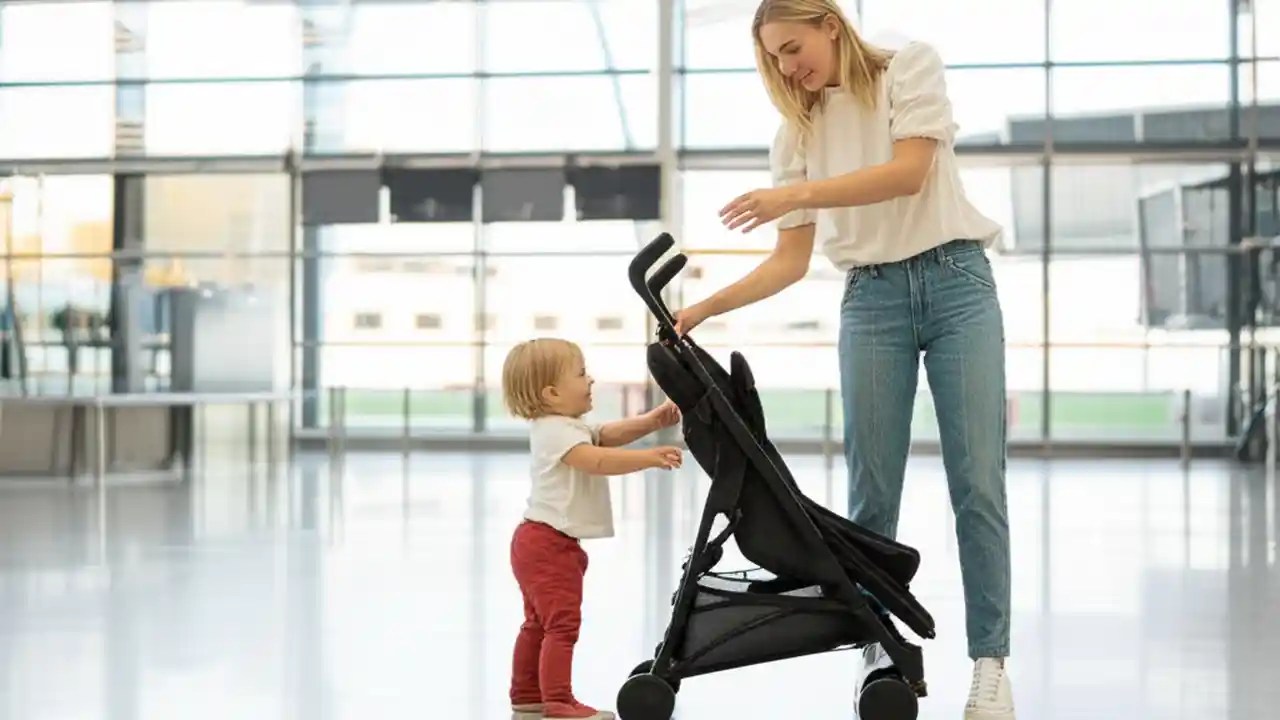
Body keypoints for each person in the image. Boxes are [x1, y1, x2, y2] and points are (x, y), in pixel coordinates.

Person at [671, 1, 1014, 718]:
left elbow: (908, 173)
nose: (789, 67)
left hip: (957, 285)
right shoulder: (794, 132)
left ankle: (990, 664)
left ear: (830, 23)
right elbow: (789, 262)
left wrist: (794, 193)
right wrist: (707, 307)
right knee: (872, 490)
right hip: (871, 299)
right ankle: (878, 655)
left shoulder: (907, 67)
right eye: (775, 59)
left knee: (977, 483)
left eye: (793, 47)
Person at [502, 337, 683, 720]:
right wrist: (648, 458)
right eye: (581, 373)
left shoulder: (563, 424)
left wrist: (651, 422)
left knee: (539, 623)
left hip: (538, 540)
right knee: (562, 625)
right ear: (551, 393)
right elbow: (595, 459)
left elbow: (606, 435)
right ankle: (558, 702)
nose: (591, 380)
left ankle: (527, 696)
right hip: (548, 543)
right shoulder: (556, 431)